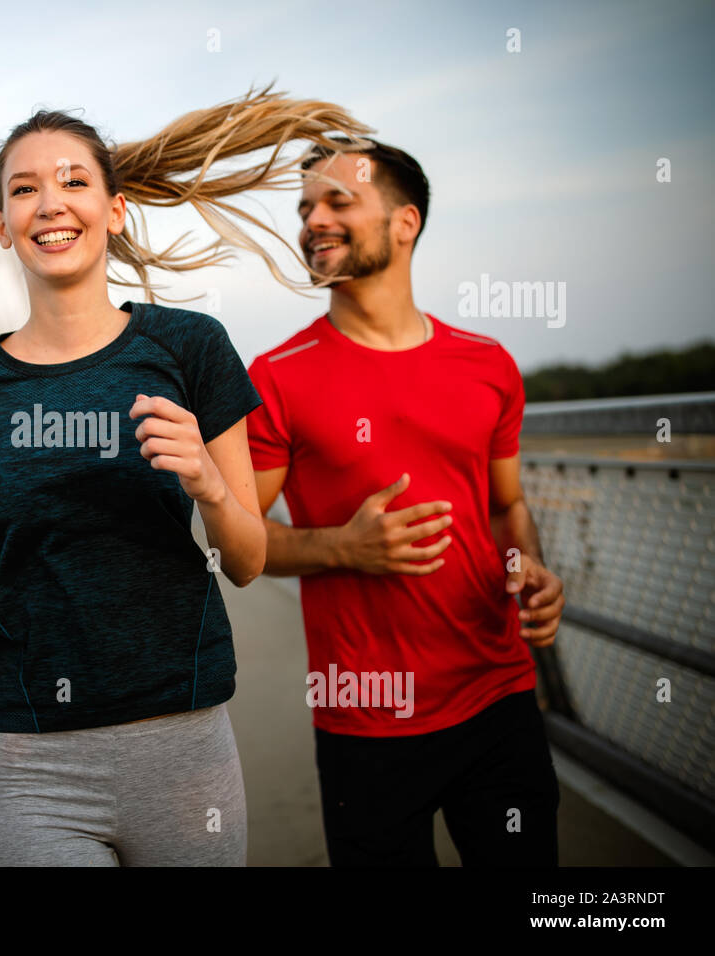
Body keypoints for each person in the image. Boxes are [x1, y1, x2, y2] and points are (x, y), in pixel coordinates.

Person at [0, 85, 371, 866]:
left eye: (72, 181)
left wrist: (208, 483)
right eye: (24, 189)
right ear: (1, 227)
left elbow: (248, 560)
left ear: (115, 209)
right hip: (29, 758)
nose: (49, 203)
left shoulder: (190, 348)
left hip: (182, 745)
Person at [246, 137, 567, 866]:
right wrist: (340, 546)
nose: (313, 220)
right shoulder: (276, 376)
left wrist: (529, 570)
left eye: (337, 201)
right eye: (305, 208)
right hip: (366, 723)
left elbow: (504, 509)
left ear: (405, 222)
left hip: (500, 700)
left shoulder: (488, 365)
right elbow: (238, 544)